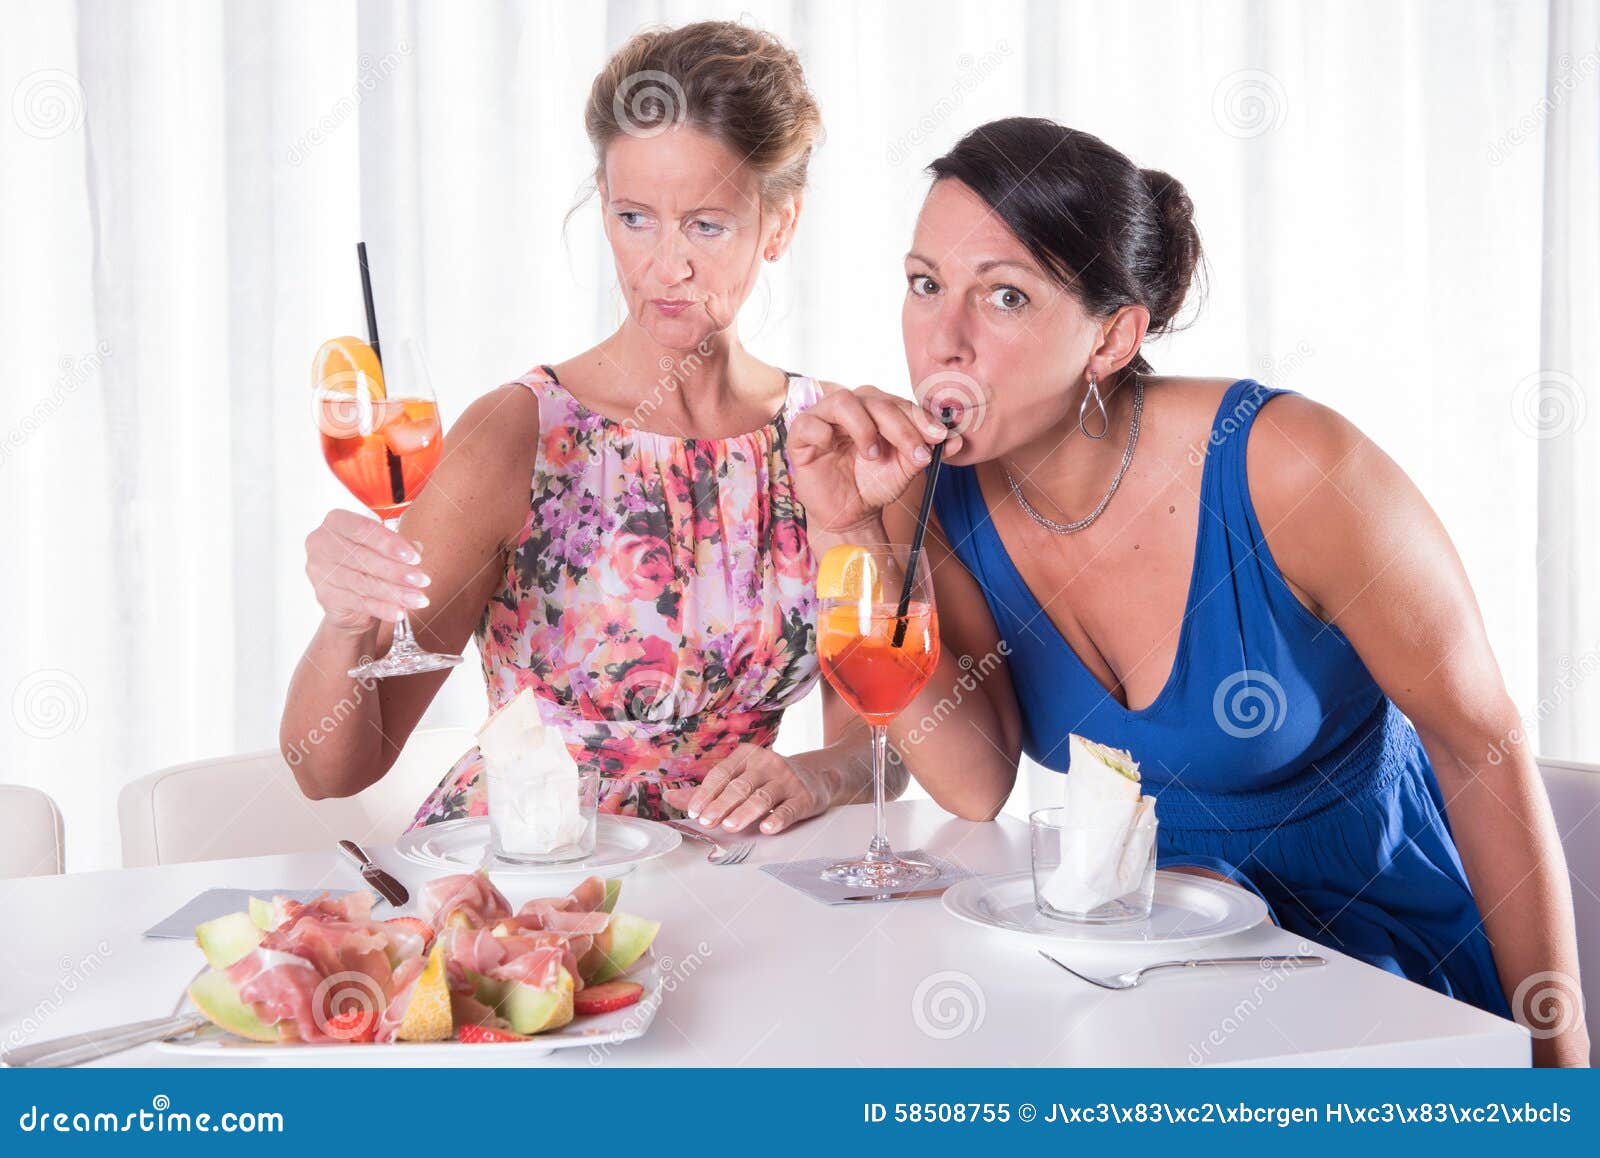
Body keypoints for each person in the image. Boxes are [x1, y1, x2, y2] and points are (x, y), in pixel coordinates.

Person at [787, 117, 1589, 1066]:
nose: (943, 340)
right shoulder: (935, 488)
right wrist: (844, 528)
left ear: (1112, 337)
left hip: (1371, 959)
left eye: (1004, 296)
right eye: (926, 286)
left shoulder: (1291, 468)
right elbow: (972, 781)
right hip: (1139, 963)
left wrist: (1559, 1058)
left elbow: (1479, 745)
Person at [282, 21, 911, 836]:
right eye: (635, 217)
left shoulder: (823, 442)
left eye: (707, 225)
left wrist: (819, 776)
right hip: (522, 890)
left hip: (730, 885)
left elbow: (893, 739)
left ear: (780, 226)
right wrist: (345, 622)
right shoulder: (521, 435)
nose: (666, 266)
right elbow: (329, 768)